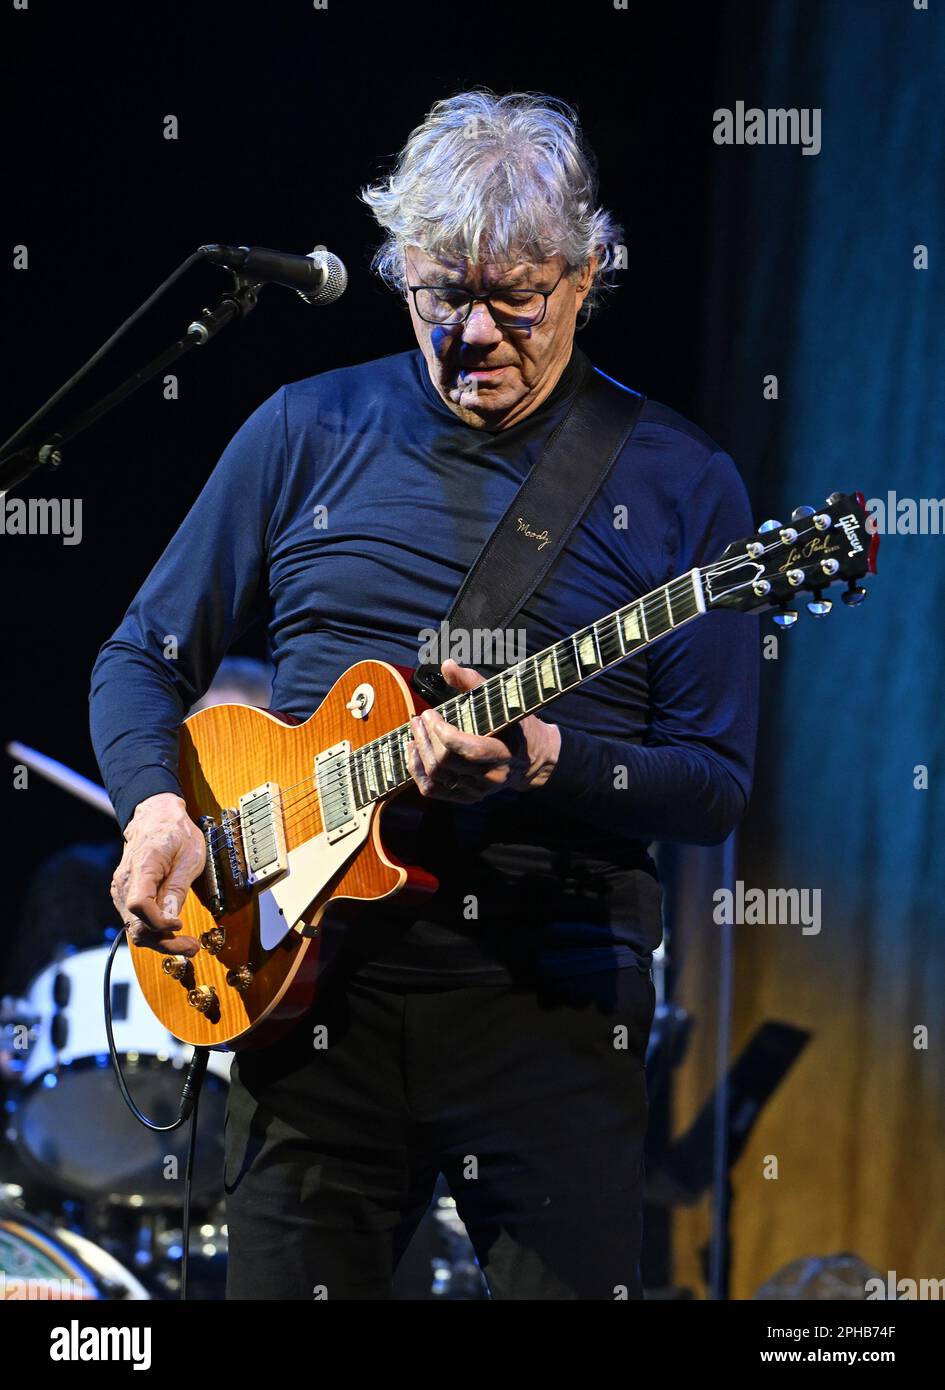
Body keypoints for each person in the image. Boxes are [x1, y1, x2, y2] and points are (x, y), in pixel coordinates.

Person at [90, 90, 759, 1300]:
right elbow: (139, 652)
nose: (476, 334)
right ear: (400, 271)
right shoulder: (306, 428)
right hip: (306, 997)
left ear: (588, 271)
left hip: (552, 1011)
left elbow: (714, 786)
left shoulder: (681, 483)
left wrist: (547, 759)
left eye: (519, 296)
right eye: (443, 294)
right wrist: (155, 806)